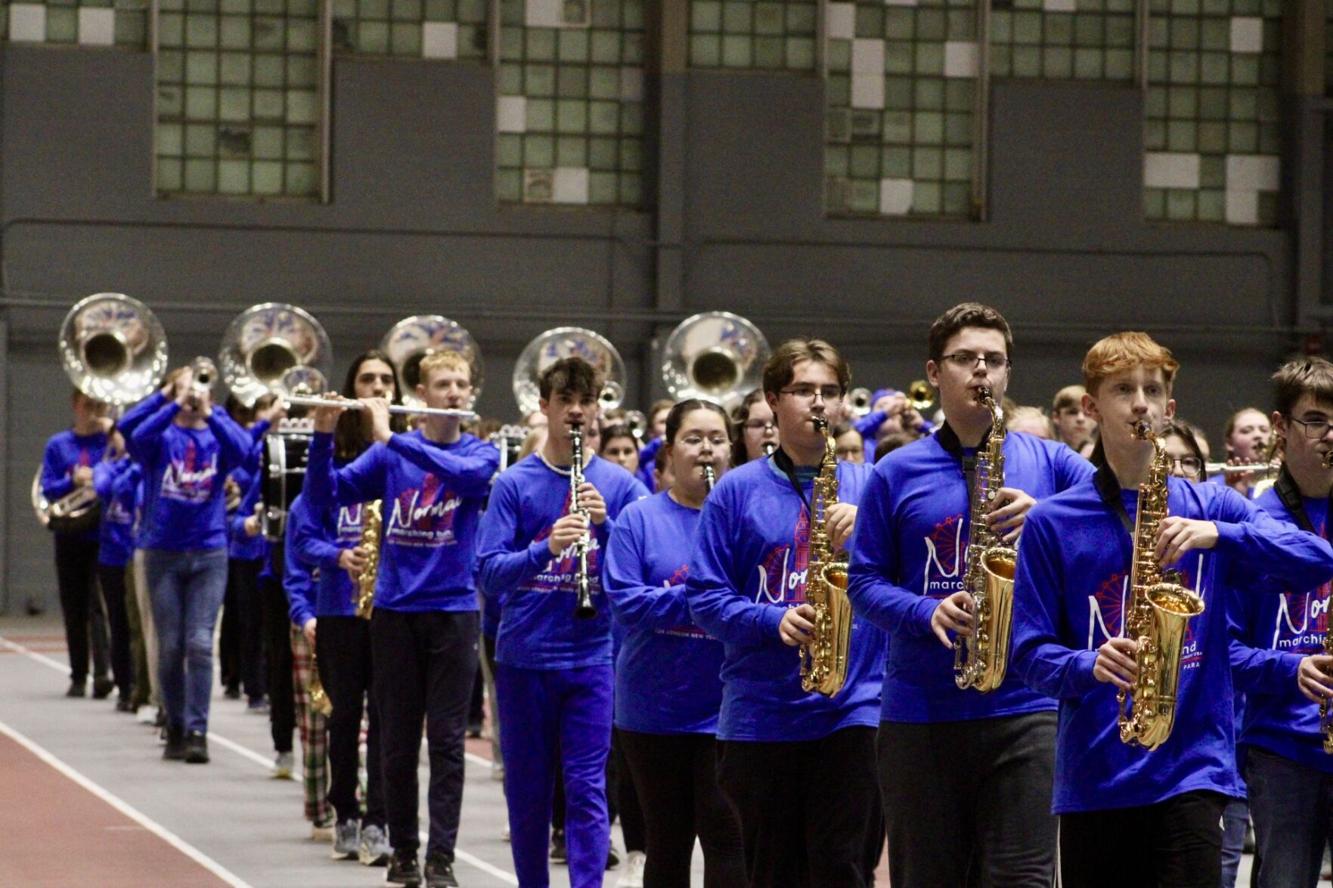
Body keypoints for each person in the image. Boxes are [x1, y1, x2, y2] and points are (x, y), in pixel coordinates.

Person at [1009, 332, 1333, 888]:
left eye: (1153, 390)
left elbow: (1316, 558)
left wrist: (1220, 534)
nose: (1140, 403)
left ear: (1170, 409)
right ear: (1091, 407)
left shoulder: (1212, 505)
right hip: (1096, 777)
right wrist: (1090, 665)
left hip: (1193, 773)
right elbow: (1026, 653)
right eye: (1123, 390)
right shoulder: (1052, 522)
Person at [847, 303, 1092, 887]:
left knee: (1022, 878)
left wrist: (1052, 521)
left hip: (1026, 709)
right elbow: (863, 583)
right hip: (920, 714)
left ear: (1008, 372)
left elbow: (1112, 543)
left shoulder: (1056, 465)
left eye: (994, 360)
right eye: (964, 359)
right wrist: (926, 609)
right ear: (935, 373)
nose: (981, 372)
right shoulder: (896, 471)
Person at [686, 338, 885, 887]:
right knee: (773, 873)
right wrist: (772, 621)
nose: (819, 404)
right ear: (774, 400)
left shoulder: (871, 487)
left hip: (855, 707)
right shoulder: (734, 492)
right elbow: (704, 598)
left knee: (842, 865)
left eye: (830, 392)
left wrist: (867, 531)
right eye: (804, 391)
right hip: (761, 716)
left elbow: (904, 584)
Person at [306, 349, 498, 888]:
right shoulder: (393, 458)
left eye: (462, 384)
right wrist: (323, 437)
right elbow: (324, 497)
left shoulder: (480, 453)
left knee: (447, 743)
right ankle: (403, 852)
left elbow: (460, 477)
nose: (456, 393)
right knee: (396, 741)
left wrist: (391, 435)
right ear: (422, 394)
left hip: (453, 614)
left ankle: (441, 857)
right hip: (394, 613)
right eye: (444, 384)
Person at [475, 356, 648, 888]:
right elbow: (486, 572)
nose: (575, 412)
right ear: (544, 407)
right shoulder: (515, 484)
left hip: (593, 656)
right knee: (527, 792)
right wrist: (542, 549)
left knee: (587, 787)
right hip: (525, 657)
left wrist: (609, 526)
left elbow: (649, 562)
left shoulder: (618, 486)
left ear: (597, 409)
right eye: (565, 402)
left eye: (585, 402)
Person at [605, 398, 746, 888]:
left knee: (728, 839)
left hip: (727, 708)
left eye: (716, 439)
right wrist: (706, 596)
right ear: (669, 450)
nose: (706, 450)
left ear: (732, 448)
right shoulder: (637, 520)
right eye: (693, 439)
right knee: (667, 841)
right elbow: (626, 603)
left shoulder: (741, 521)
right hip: (652, 710)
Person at [289, 350, 399, 865]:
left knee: (388, 718)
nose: (377, 387)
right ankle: (346, 814)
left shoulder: (408, 458)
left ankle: (380, 818)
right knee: (344, 716)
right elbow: (304, 533)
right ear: (353, 390)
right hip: (338, 607)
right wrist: (338, 556)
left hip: (393, 611)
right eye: (367, 379)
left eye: (385, 380)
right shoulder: (330, 468)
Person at [1228, 357, 1333, 888]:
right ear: (1281, 428)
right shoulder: (1251, 523)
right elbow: (1224, 652)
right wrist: (1288, 669)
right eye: (1315, 420)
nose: (1330, 434)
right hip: (1283, 752)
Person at [129, 365, 252, 763]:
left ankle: (198, 729)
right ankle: (176, 722)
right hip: (163, 552)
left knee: (199, 643)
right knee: (170, 645)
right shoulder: (162, 435)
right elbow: (134, 432)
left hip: (209, 552)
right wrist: (170, 399)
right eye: (186, 387)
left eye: (198, 387)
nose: (193, 394)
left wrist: (211, 410)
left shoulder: (216, 433)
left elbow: (245, 450)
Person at [41, 389, 113, 699]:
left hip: (101, 533)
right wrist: (74, 480)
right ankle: (78, 674)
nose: (93, 412)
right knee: (73, 606)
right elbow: (48, 489)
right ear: (75, 405)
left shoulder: (110, 443)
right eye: (88, 406)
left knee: (98, 606)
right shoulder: (58, 445)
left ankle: (102, 673)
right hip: (69, 535)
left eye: (99, 406)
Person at [92, 428, 139, 710]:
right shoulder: (105, 468)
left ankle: (140, 685)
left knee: (140, 628)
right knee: (119, 625)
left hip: (135, 555)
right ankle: (124, 686)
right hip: (111, 558)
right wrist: (129, 462)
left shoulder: (146, 466)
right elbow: (106, 489)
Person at [1219, 406, 1273, 497]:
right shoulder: (1214, 486)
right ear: (1230, 443)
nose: (1258, 435)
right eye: (1246, 431)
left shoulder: (1284, 480)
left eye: (1264, 430)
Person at [729, 388, 778, 467]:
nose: (769, 432)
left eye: (776, 423)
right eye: (757, 424)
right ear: (741, 434)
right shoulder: (733, 478)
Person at [1051, 384, 1096, 451]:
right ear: (1056, 417)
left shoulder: (1108, 457)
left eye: (1087, 413)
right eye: (1072, 412)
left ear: (1096, 419)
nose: (1081, 419)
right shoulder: (1045, 455)